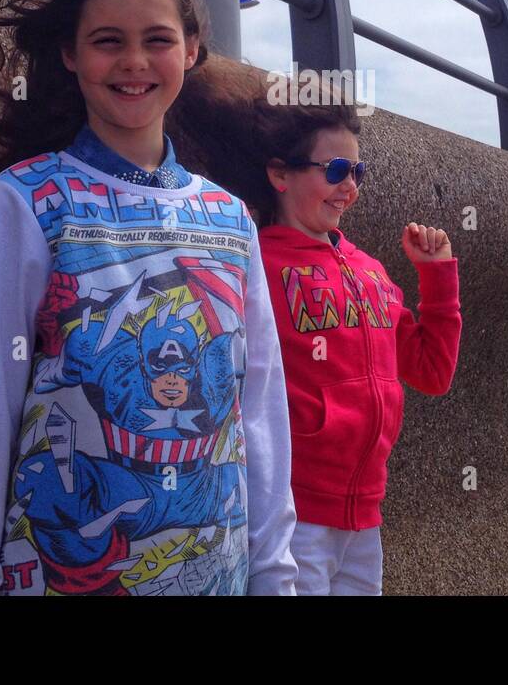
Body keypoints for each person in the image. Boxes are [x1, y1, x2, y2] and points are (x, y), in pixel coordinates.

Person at [0, 0, 297, 596]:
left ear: (193, 50)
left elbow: (257, 414)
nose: (134, 62)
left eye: (158, 40)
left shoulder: (231, 219)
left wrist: (274, 575)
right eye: (107, 42)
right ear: (71, 56)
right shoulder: (22, 202)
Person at [192, 89, 462, 595]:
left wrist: (438, 277)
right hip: (293, 516)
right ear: (279, 174)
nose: (350, 189)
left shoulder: (372, 272)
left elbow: (432, 372)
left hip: (365, 517)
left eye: (358, 173)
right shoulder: (257, 265)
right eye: (336, 170)